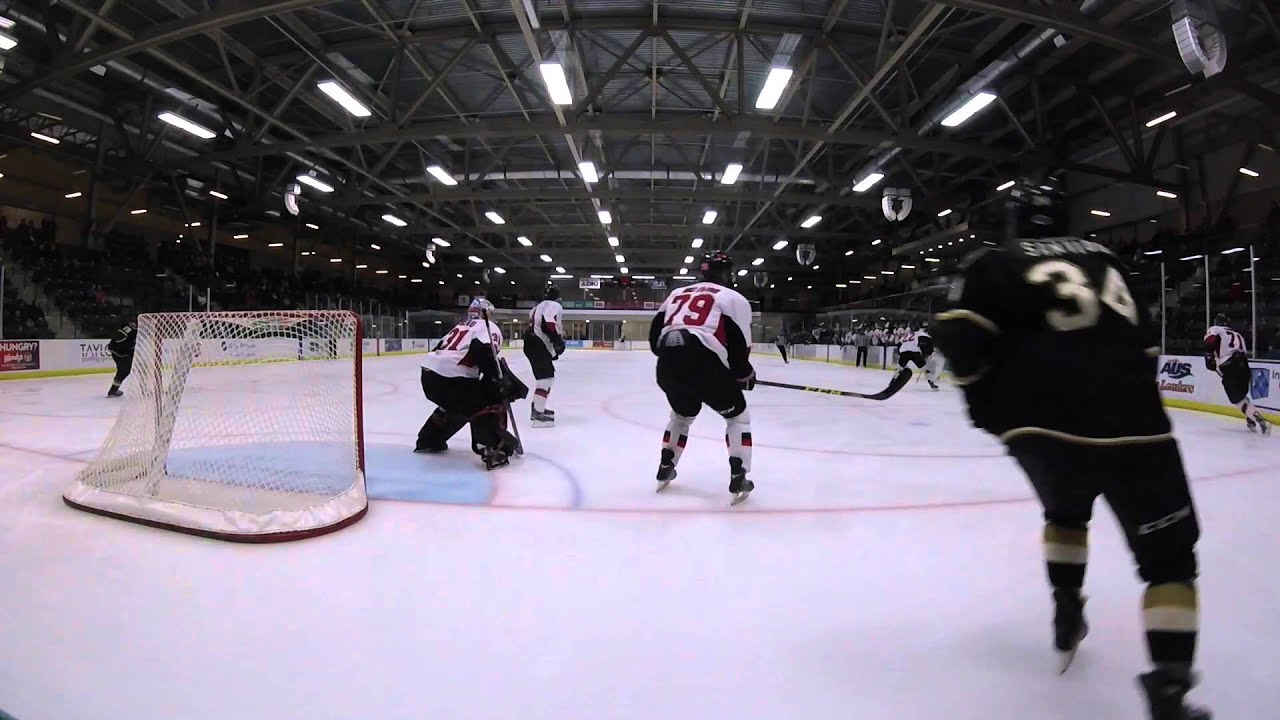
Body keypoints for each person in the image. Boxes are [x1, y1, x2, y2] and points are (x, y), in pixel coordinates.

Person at [932, 177, 1209, 720]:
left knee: (1065, 510)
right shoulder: (1107, 258)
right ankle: (1171, 687)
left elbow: (960, 337)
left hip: (1042, 430)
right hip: (1136, 427)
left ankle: (1066, 606)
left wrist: (990, 410)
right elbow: (1147, 345)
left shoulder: (994, 261)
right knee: (1169, 565)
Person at [649, 251, 756, 505]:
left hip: (667, 364)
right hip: (704, 362)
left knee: (681, 415)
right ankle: (739, 476)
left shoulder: (676, 294)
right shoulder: (734, 298)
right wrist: (744, 374)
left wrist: (677, 361)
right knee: (737, 416)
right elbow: (740, 345)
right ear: (725, 273)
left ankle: (666, 466)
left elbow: (654, 338)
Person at [415, 298, 527, 470]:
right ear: (487, 313)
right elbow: (481, 350)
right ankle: (492, 447)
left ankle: (429, 439)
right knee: (488, 401)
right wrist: (498, 381)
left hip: (429, 376)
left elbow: (440, 348)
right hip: (453, 378)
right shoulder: (488, 328)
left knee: (460, 404)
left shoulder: (461, 326)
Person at [1204, 317, 1270, 434]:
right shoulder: (1237, 334)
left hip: (1229, 366)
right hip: (1244, 365)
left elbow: (1210, 340)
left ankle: (1260, 420)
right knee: (1242, 395)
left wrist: (1209, 354)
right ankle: (1250, 419)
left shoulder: (1216, 329)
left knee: (1236, 399)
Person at [523, 282, 566, 427]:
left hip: (531, 342)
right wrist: (557, 340)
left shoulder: (536, 307)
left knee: (546, 378)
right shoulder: (554, 306)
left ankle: (537, 408)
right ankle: (537, 414)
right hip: (537, 343)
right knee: (546, 379)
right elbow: (549, 323)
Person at [897, 325, 940, 390]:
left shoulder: (906, 335)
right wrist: (927, 353)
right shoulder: (920, 333)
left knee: (900, 368)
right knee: (925, 369)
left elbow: (899, 343)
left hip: (904, 352)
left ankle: (892, 382)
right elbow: (927, 342)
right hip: (914, 352)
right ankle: (931, 383)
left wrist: (900, 353)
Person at [106, 316, 137, 398]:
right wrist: (129, 346)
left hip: (123, 352)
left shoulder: (134, 329)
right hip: (119, 352)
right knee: (124, 371)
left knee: (124, 371)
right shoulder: (129, 329)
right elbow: (118, 338)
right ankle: (113, 391)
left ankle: (113, 391)